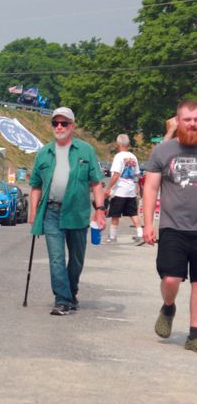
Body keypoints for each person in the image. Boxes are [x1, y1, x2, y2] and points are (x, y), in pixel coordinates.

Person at [28, 107, 106, 315]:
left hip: (77, 212)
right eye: (55, 123)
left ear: (72, 126)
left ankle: (72, 292)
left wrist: (99, 209)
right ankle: (62, 299)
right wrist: (33, 211)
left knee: (77, 258)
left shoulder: (85, 150)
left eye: (64, 123)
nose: (59, 127)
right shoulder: (44, 152)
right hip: (51, 212)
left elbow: (96, 183)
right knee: (56, 257)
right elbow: (35, 186)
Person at [143, 98, 197, 352]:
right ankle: (168, 307)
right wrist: (148, 224)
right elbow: (151, 187)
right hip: (172, 227)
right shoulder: (163, 152)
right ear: (178, 122)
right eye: (188, 119)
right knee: (172, 279)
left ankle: (195, 333)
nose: (193, 124)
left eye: (196, 120)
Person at [104, 133, 143, 243]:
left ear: (118, 144)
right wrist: (137, 187)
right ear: (128, 144)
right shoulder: (133, 157)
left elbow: (116, 174)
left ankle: (112, 237)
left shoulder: (118, 157)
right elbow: (137, 174)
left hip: (120, 190)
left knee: (115, 214)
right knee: (133, 213)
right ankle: (140, 234)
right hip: (130, 190)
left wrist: (109, 188)